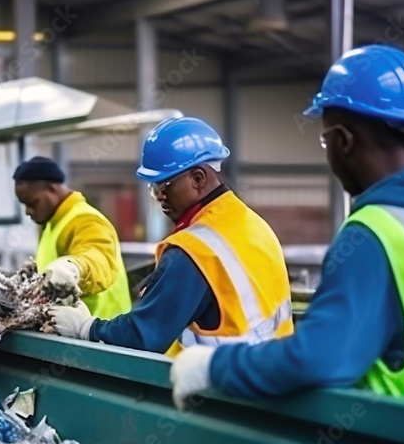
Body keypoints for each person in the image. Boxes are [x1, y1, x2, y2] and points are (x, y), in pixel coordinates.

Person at [170, 45, 404, 418]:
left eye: (325, 139)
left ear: (344, 140)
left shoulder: (374, 233)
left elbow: (320, 359)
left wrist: (212, 367)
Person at [50, 117, 293, 355]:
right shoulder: (251, 223)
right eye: (153, 189)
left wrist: (86, 328)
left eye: (163, 186)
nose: (160, 198)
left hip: (222, 386)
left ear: (198, 178)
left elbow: (143, 336)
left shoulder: (194, 251)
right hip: (269, 372)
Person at [14, 156, 131, 319]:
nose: (28, 211)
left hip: (103, 334)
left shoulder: (85, 220)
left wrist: (75, 267)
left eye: (32, 203)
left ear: (52, 189)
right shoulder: (53, 225)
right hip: (79, 333)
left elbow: (98, 257)